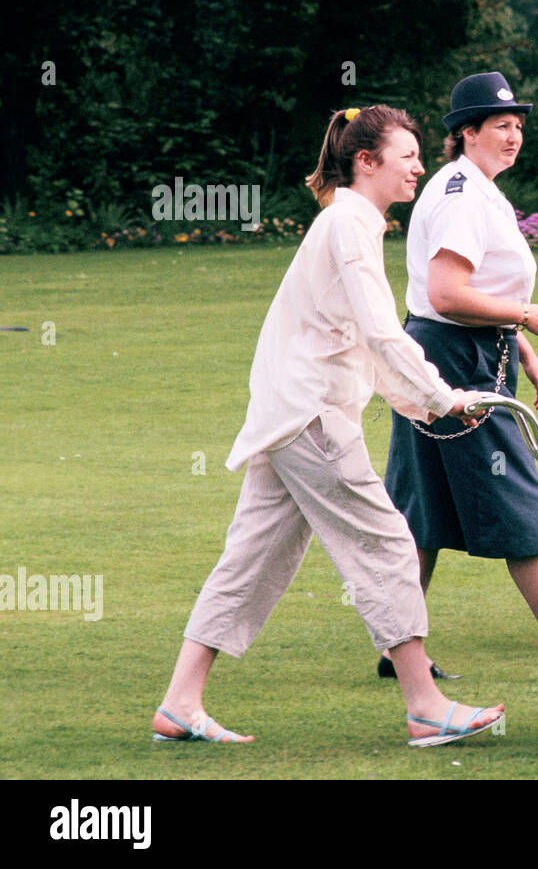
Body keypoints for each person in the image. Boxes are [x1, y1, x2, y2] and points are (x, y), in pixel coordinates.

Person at [151, 105, 504, 748]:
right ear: (366, 162)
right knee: (388, 545)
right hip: (310, 416)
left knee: (251, 561)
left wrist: (430, 401)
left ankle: (179, 704)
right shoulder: (348, 222)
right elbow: (381, 331)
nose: (420, 167)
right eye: (407, 157)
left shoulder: (349, 223)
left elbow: (369, 345)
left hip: (291, 415)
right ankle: (425, 706)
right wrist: (442, 395)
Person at [381, 72, 538, 681]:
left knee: (423, 508)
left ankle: (396, 643)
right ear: (466, 133)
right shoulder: (460, 192)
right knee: (517, 494)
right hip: (452, 358)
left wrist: (521, 349)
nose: (513, 136)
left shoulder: (475, 187)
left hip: (456, 351)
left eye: (518, 126)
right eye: (500, 125)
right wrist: (524, 317)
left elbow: (470, 291)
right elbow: (447, 294)